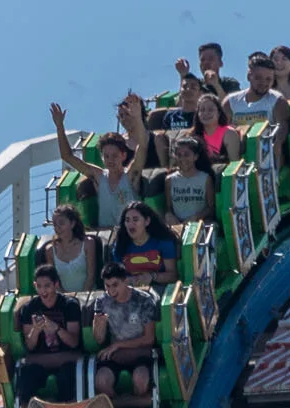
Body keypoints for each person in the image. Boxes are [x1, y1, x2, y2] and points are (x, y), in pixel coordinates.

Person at [50, 98, 146, 226]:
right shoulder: (99, 177)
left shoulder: (130, 175)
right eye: (106, 156)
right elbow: (67, 156)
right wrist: (60, 127)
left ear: (123, 156)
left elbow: (143, 148)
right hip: (106, 236)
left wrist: (138, 118)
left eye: (114, 156)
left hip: (130, 233)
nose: (110, 160)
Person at [11, 266, 86, 406]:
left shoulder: (69, 305)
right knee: (26, 374)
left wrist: (56, 329)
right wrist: (36, 330)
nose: (43, 291)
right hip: (41, 359)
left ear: (56, 284)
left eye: (47, 286)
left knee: (66, 376)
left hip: (66, 357)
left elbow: (74, 342)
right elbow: (30, 345)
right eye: (39, 286)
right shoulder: (29, 308)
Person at [90, 261, 161, 400]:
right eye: (107, 286)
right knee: (101, 381)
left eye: (115, 285)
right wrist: (99, 325)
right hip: (116, 355)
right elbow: (98, 339)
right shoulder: (102, 302)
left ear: (126, 281)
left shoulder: (143, 301)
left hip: (140, 352)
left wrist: (117, 345)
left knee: (141, 380)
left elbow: (149, 339)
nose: (111, 291)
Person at [106, 199, 180, 285]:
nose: (131, 224)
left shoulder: (164, 242)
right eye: (127, 220)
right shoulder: (120, 245)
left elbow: (173, 276)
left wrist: (153, 277)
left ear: (147, 221)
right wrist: (129, 280)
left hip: (161, 289)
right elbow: (117, 277)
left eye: (135, 219)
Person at [41, 203, 99, 293]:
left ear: (72, 223)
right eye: (55, 225)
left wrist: (81, 297)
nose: (57, 228)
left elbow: (91, 277)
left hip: (88, 296)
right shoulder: (50, 250)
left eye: (61, 223)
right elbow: (54, 281)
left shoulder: (88, 243)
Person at [160, 128, 215, 221]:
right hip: (178, 224)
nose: (182, 159)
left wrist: (195, 217)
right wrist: (169, 215)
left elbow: (211, 208)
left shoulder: (205, 179)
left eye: (187, 155)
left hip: (198, 222)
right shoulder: (170, 180)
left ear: (195, 157)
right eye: (179, 155)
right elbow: (169, 207)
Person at [227, 54, 290, 132]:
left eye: (268, 79)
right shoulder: (231, 102)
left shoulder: (277, 101)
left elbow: (282, 131)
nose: (263, 83)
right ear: (249, 76)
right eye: (258, 78)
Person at [189, 89, 240, 167]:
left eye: (210, 110)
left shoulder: (229, 133)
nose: (206, 113)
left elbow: (235, 164)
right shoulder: (193, 134)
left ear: (219, 113)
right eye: (202, 110)